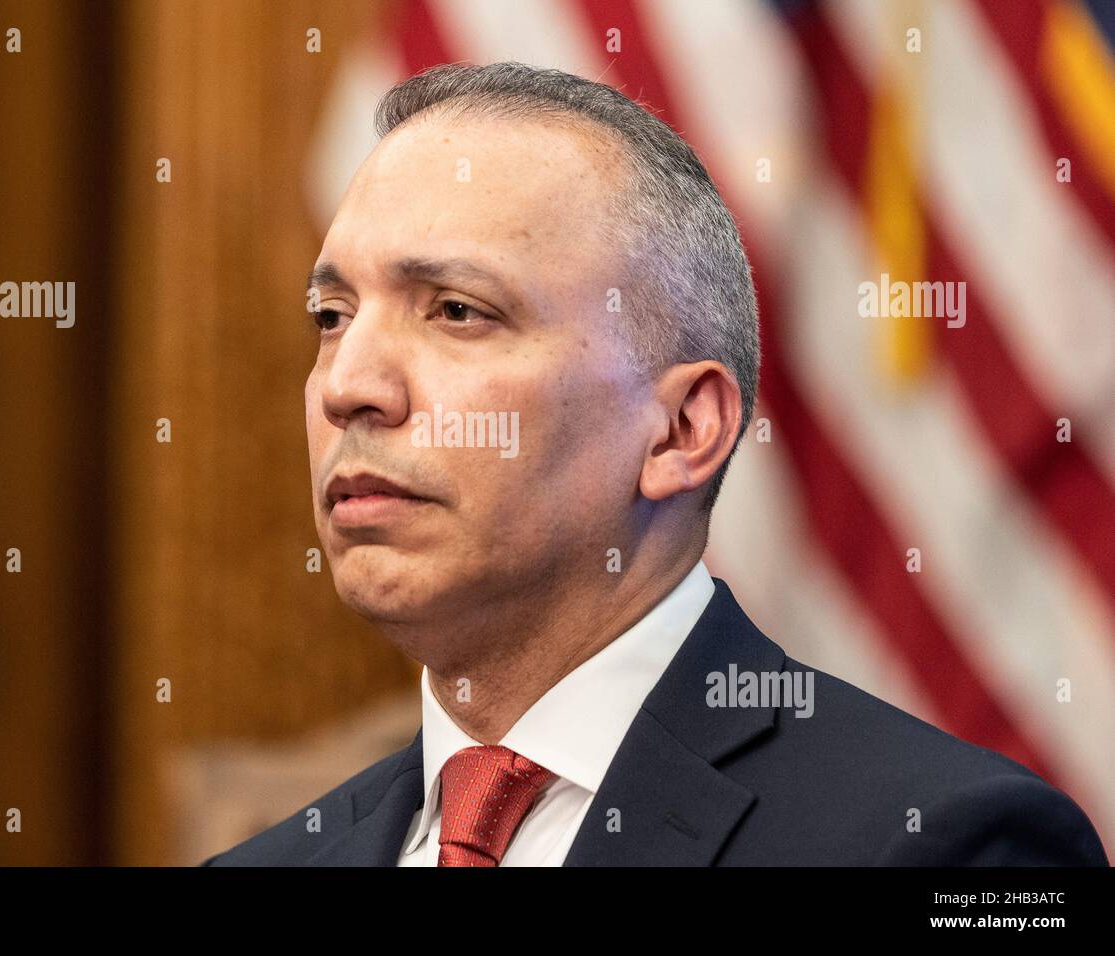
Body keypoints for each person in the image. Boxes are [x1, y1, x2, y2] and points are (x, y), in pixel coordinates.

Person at [204, 63, 1107, 866]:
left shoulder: (950, 846)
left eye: (455, 311)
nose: (348, 386)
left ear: (681, 430)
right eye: (332, 317)